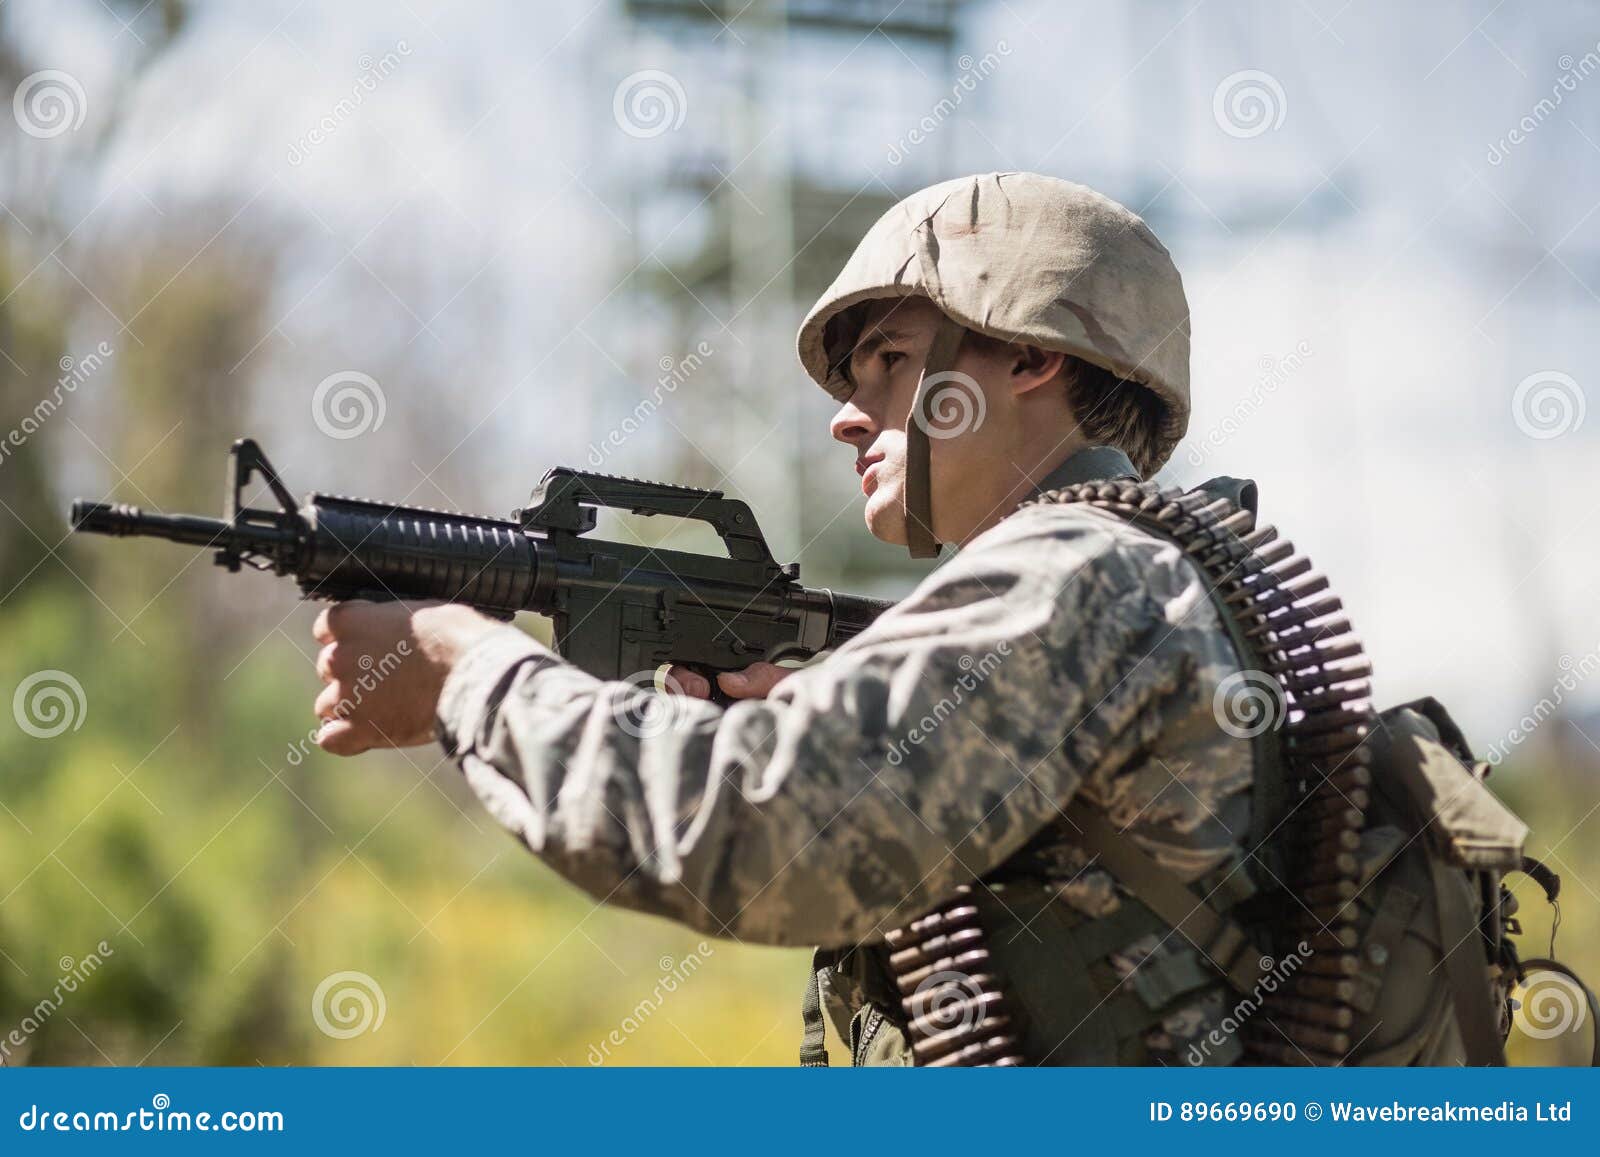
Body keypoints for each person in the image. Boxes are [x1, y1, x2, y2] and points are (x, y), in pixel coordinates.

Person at [308, 171, 1258, 1065]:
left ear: (1035, 356)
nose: (847, 417)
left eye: (889, 360)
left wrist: (463, 669)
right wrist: (824, 721)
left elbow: (767, 831)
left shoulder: (1083, 573)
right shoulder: (1149, 576)